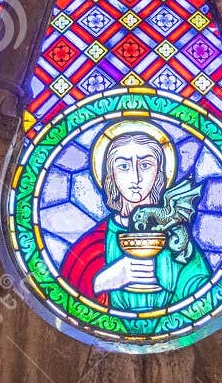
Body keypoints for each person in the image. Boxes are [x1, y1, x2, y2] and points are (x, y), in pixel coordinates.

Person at [61, 120, 208, 312]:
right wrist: (101, 281)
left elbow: (201, 295)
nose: (136, 177)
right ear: (110, 175)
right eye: (123, 166)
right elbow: (67, 297)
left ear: (159, 174)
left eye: (145, 165)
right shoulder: (92, 244)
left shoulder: (176, 238)